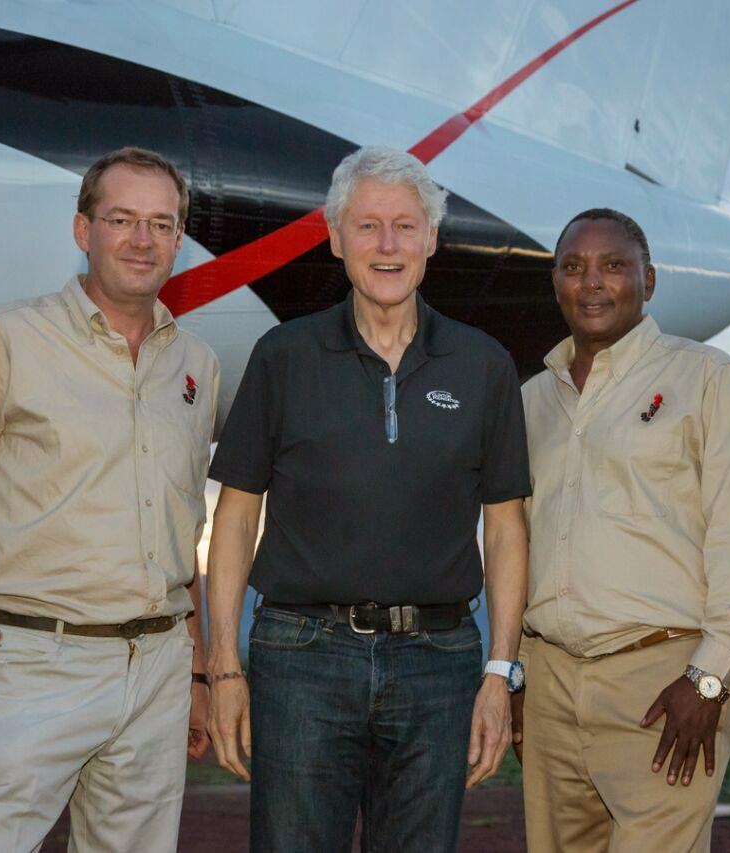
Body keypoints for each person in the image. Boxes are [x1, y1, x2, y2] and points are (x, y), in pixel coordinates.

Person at [0, 146, 218, 850]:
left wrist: (196, 668)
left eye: (161, 224)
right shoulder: (9, 337)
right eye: (121, 219)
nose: (141, 239)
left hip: (157, 669)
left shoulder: (197, 365)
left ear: (179, 242)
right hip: (36, 662)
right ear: (82, 230)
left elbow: (182, 527)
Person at [203, 145, 530, 852]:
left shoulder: (483, 364)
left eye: (406, 226)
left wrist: (500, 672)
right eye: (368, 225)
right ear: (334, 236)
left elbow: (505, 527)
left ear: (433, 239)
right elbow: (234, 516)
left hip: (440, 659)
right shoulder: (282, 356)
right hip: (300, 656)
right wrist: (223, 663)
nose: (388, 245)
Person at [514, 208, 730, 852]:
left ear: (650, 280)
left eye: (614, 266)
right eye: (573, 267)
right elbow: (516, 545)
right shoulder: (532, 400)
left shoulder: (704, 377)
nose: (592, 283)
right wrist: (521, 677)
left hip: (667, 684)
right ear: (554, 281)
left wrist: (709, 679)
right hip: (553, 685)